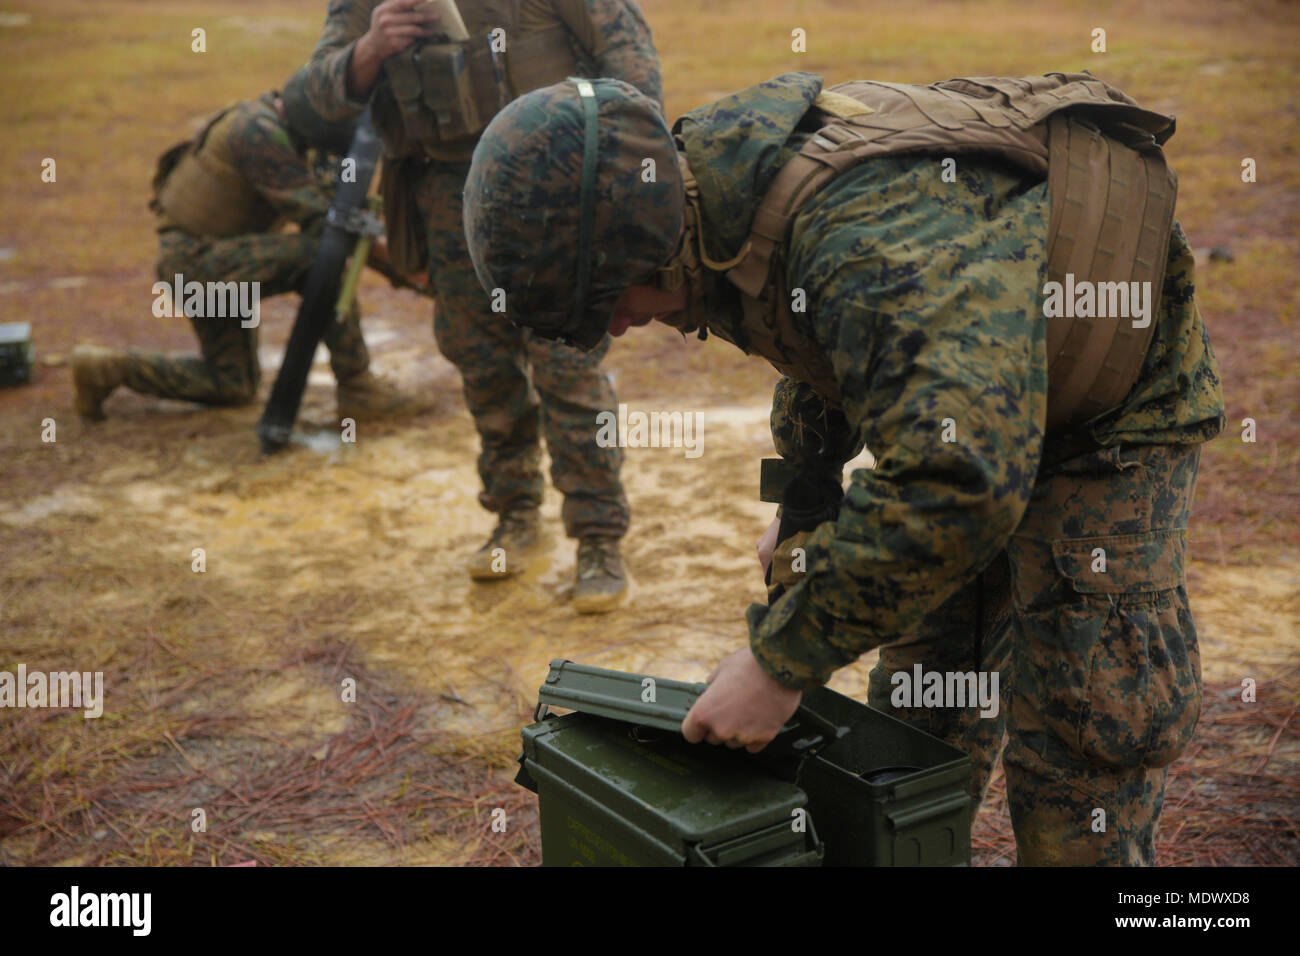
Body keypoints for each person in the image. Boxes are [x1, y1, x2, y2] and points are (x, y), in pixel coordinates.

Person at [461, 71, 1227, 864]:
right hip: (969, 401)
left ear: (638, 241)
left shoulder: (857, 229)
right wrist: (807, 500)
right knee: (912, 730)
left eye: (608, 302)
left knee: (1081, 750)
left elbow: (958, 481)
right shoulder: (713, 204)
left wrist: (778, 661)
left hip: (1105, 411)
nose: (617, 327)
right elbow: (823, 343)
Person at [299, 0, 663, 611]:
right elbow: (318, 98)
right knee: (483, 364)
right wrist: (369, 50)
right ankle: (514, 516)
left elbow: (631, 61)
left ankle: (599, 536)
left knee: (568, 362)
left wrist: (623, 167)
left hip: (554, 182)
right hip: (446, 194)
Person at [71, 66, 427, 424]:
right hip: (199, 267)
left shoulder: (275, 125)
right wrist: (410, 270)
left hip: (208, 263)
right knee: (318, 255)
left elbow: (346, 213)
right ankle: (358, 387)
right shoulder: (257, 133)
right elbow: (333, 224)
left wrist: (414, 271)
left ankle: (106, 368)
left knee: (232, 385)